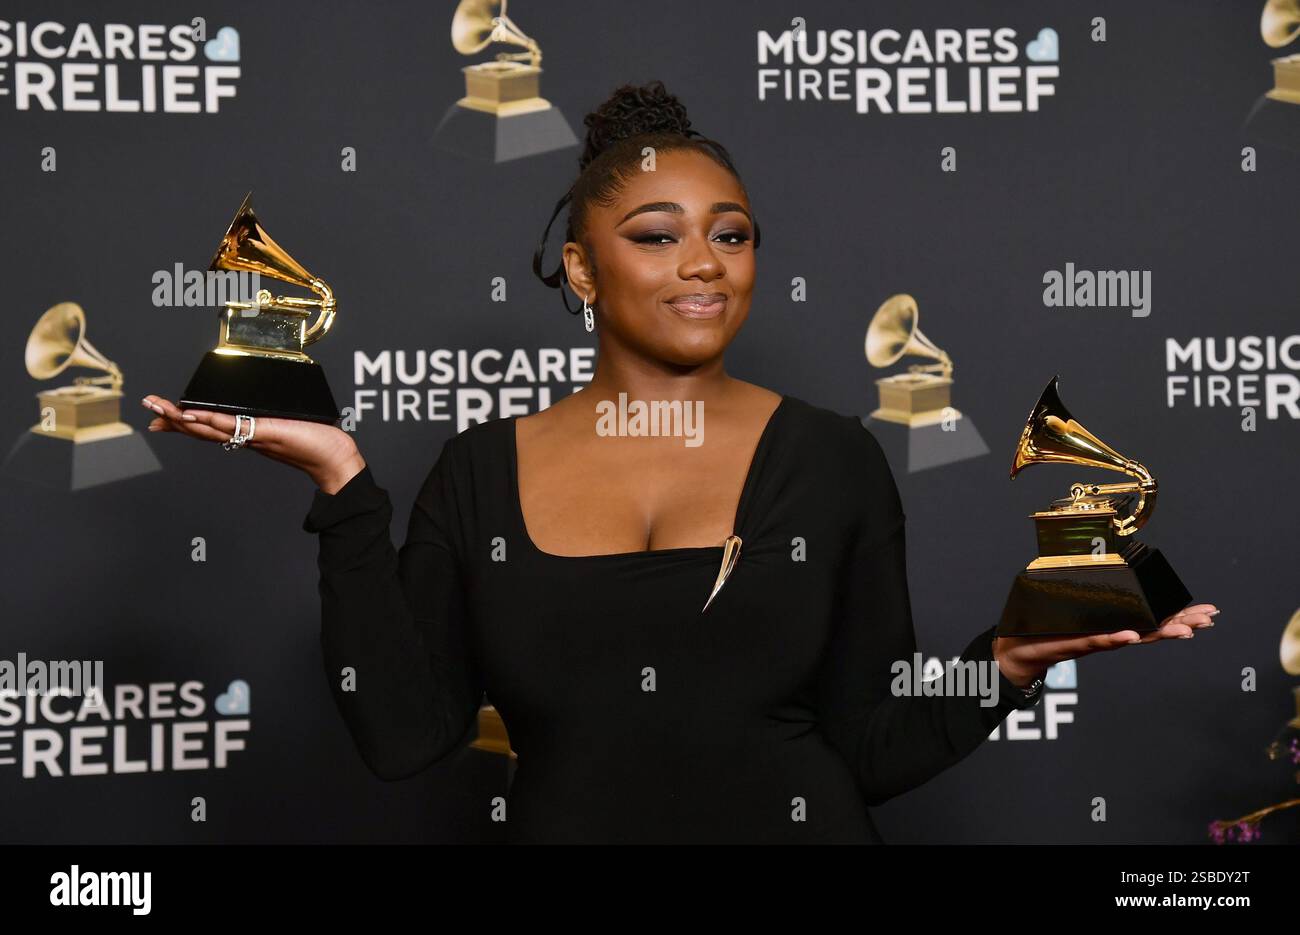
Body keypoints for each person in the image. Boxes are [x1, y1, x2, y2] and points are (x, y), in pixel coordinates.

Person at [142, 80, 1217, 844]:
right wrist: (342, 488)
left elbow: (870, 744)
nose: (704, 261)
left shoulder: (832, 458)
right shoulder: (477, 472)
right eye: (657, 234)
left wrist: (1012, 662)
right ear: (581, 266)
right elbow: (403, 736)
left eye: (732, 234)